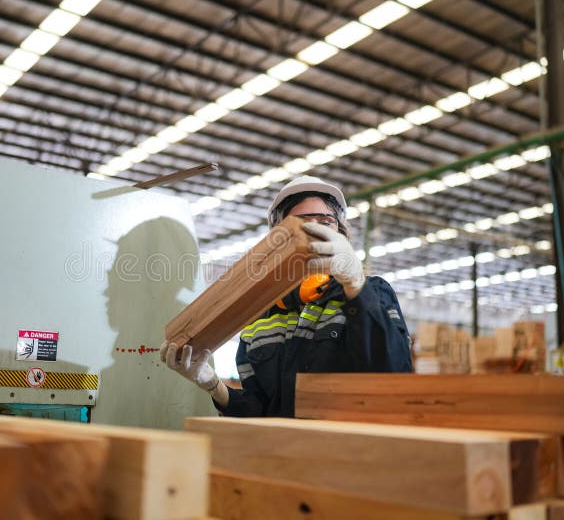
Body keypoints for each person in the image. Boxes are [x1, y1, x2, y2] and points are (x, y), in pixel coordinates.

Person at [160, 175, 413, 417]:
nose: (315, 231)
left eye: (326, 222)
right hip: (282, 452)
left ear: (341, 234)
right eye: (302, 224)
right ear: (277, 241)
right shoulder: (260, 317)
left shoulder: (372, 293)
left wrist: (355, 283)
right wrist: (213, 385)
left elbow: (395, 375)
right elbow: (260, 410)